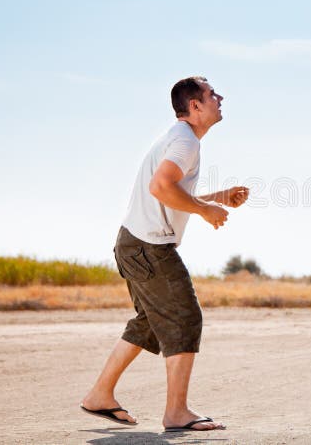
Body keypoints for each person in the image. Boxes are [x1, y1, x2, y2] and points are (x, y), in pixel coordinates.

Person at [79, 76, 249, 432]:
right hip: (148, 246)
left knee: (151, 323)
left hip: (134, 243)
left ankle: (100, 395)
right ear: (195, 107)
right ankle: (176, 413)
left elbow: (173, 192)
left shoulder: (181, 139)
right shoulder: (185, 141)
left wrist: (217, 198)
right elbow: (161, 188)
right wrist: (205, 211)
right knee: (185, 317)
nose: (220, 97)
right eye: (211, 94)